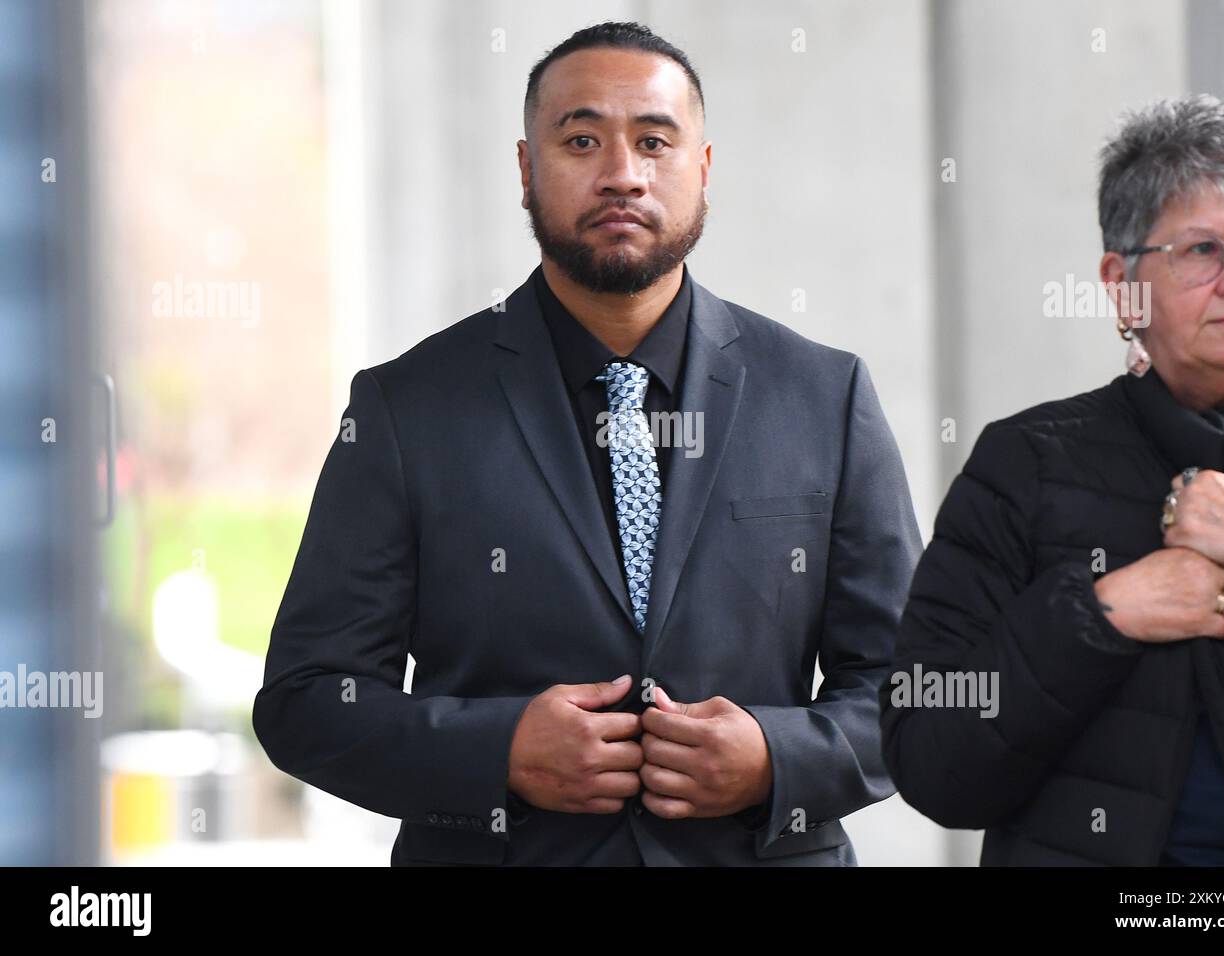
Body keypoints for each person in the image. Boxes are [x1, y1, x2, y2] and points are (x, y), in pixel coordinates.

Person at [253, 21, 921, 866]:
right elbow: (306, 702)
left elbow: (913, 691)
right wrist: (498, 752)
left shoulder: (826, 396)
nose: (622, 175)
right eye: (581, 140)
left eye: (653, 140)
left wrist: (774, 758)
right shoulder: (404, 408)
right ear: (526, 169)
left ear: (704, 170)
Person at [882, 94, 1224, 866]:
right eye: (1202, 250)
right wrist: (1099, 616)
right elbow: (932, 759)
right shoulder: (1028, 463)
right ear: (1122, 283)